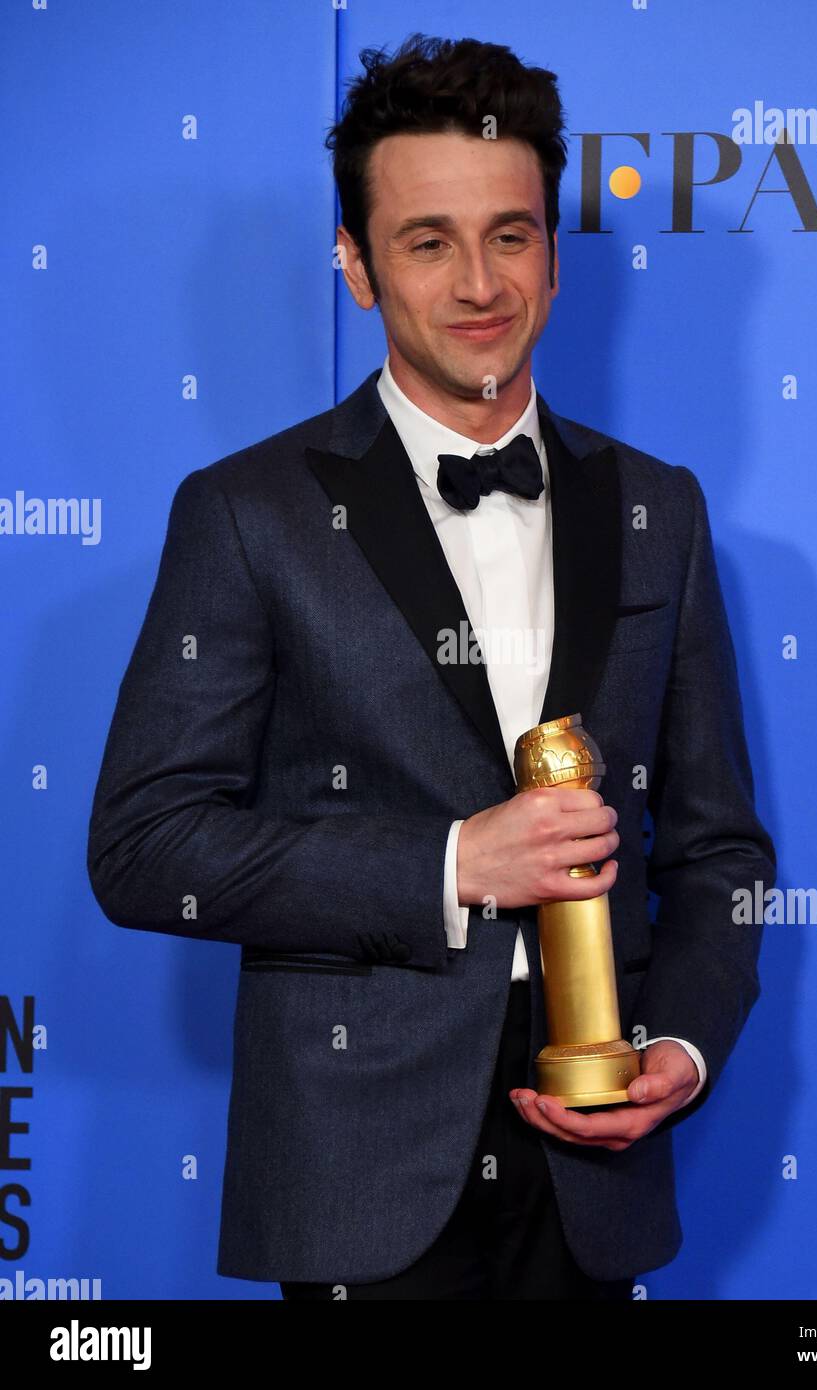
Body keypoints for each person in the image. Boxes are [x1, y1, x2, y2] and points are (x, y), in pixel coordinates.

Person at [87, 32, 777, 1301]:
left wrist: (679, 1044)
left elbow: (719, 848)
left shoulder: (656, 509)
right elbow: (143, 845)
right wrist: (454, 862)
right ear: (354, 265)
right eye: (425, 240)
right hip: (359, 1168)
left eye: (511, 235)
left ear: (555, 260)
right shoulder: (248, 512)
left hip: (595, 1174)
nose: (478, 283)